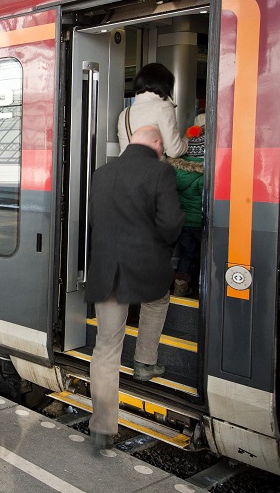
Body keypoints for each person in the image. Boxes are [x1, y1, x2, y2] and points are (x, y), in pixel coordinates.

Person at [86, 125, 183, 451]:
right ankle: (145, 361)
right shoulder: (161, 172)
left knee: (106, 347)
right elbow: (170, 224)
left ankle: (101, 427)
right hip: (145, 270)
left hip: (106, 270)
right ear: (157, 143)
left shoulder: (102, 173)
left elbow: (95, 219)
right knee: (157, 301)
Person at [168, 114, 206, 297]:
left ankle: (179, 287)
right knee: (204, 256)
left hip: (183, 222)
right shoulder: (204, 175)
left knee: (186, 254)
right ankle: (201, 290)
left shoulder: (176, 170)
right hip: (200, 223)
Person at [117, 63, 187, 158]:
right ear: (165, 84)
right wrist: (188, 140)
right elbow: (174, 150)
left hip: (129, 170)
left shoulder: (125, 113)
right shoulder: (163, 107)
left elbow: (124, 152)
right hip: (155, 170)